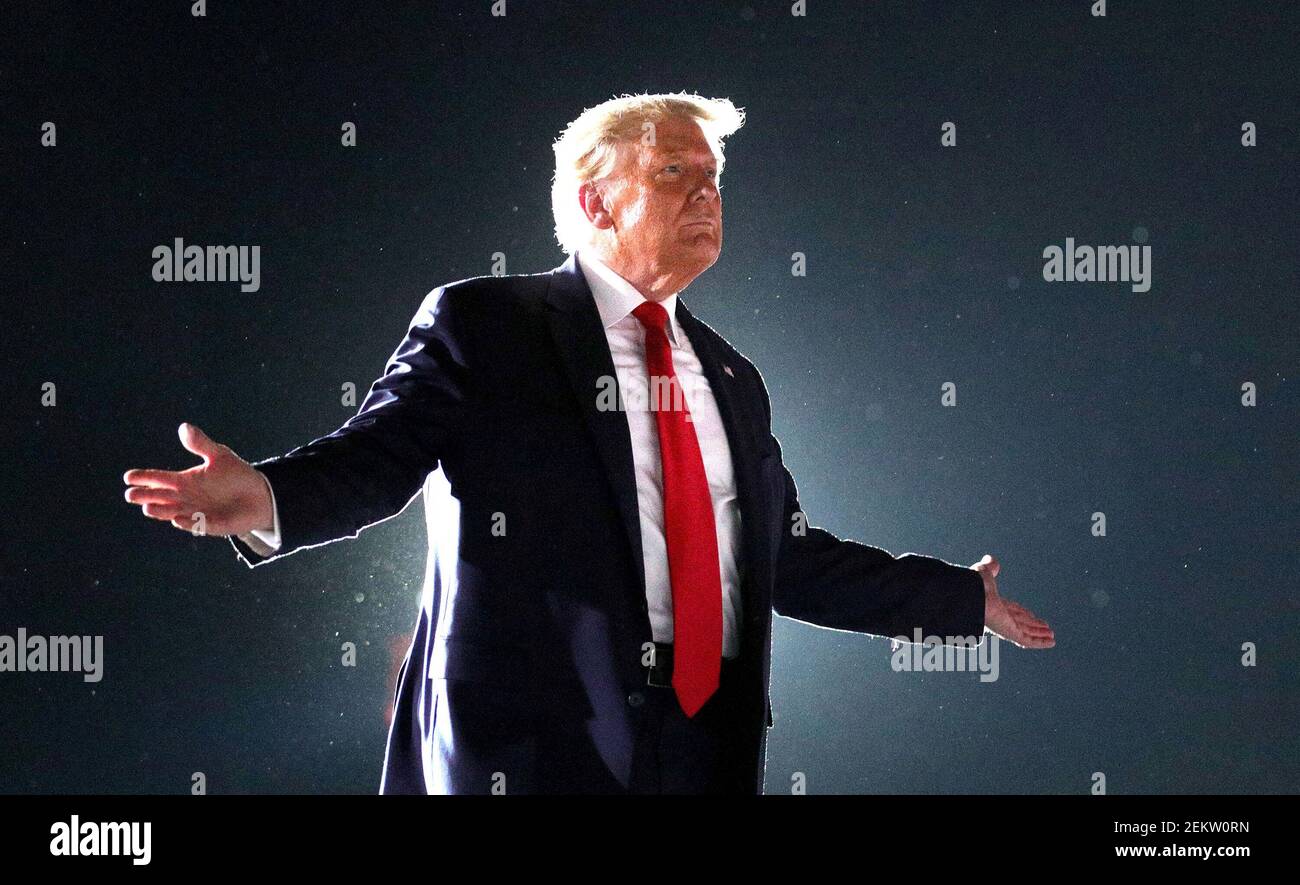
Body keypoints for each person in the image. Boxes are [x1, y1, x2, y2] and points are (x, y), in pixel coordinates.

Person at [123, 91, 1054, 794]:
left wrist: (957, 600)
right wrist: (272, 499)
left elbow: (785, 557)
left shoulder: (732, 377)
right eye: (674, 172)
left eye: (714, 178)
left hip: (705, 750)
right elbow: (379, 455)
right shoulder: (487, 320)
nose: (706, 194)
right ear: (595, 202)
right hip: (528, 749)